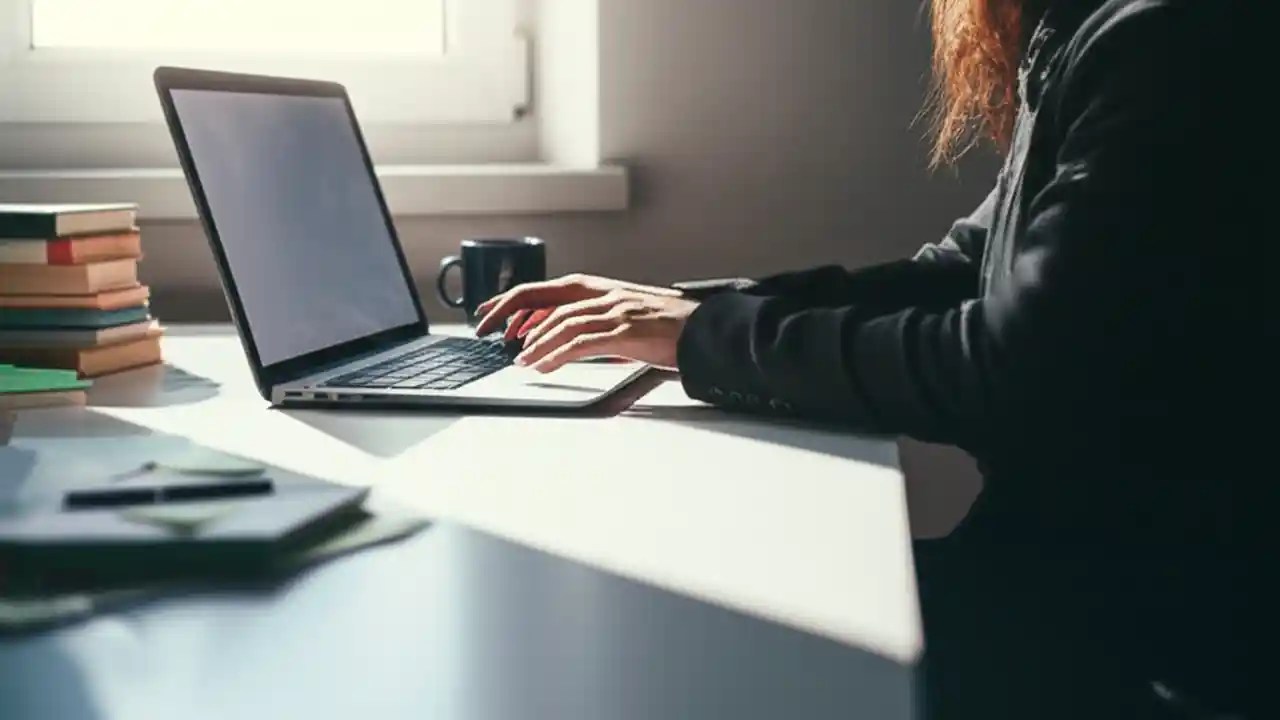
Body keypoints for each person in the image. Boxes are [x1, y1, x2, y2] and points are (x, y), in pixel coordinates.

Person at [477, 0, 1261, 717]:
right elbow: (958, 268)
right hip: (1081, 584)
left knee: (672, 642)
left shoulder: (1167, 37)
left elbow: (1014, 364)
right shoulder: (1093, 25)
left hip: (1150, 631)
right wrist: (683, 312)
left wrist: (703, 335)